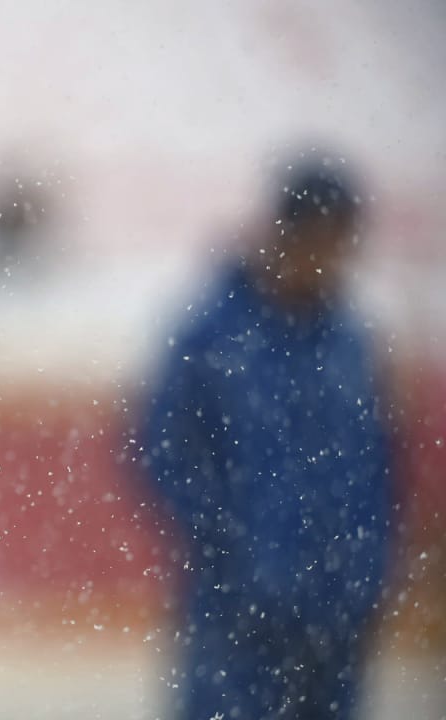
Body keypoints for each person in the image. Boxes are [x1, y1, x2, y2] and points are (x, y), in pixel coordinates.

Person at [141, 151, 394, 719]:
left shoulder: (352, 339)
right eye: (320, 241)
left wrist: (368, 570)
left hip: (337, 616)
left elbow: (379, 464)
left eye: (341, 244)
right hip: (236, 617)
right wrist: (230, 552)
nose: (329, 260)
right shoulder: (211, 334)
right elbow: (160, 451)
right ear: (286, 234)